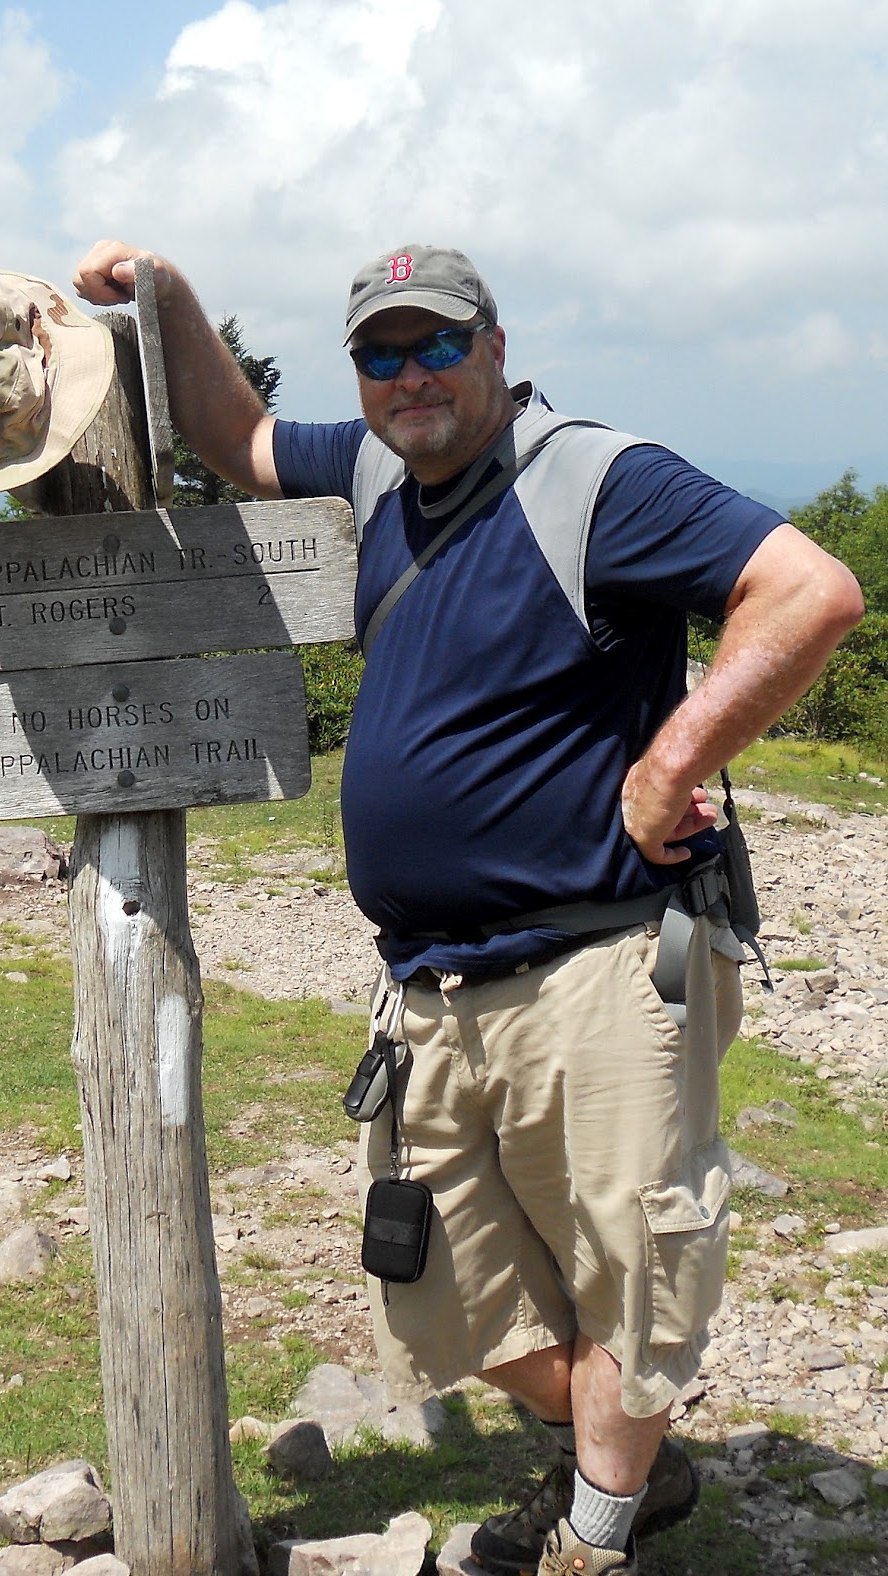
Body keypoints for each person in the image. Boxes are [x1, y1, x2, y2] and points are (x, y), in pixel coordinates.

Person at [73, 240, 863, 1576]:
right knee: (451, 1294)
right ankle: (634, 1459)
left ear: (493, 347)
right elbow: (236, 434)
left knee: (632, 1270)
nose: (409, 374)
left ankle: (593, 1538)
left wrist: (673, 761)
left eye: (437, 343)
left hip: (604, 965)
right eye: (380, 354)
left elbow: (809, 590)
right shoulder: (379, 470)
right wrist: (164, 295)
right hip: (431, 986)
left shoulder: (594, 481)